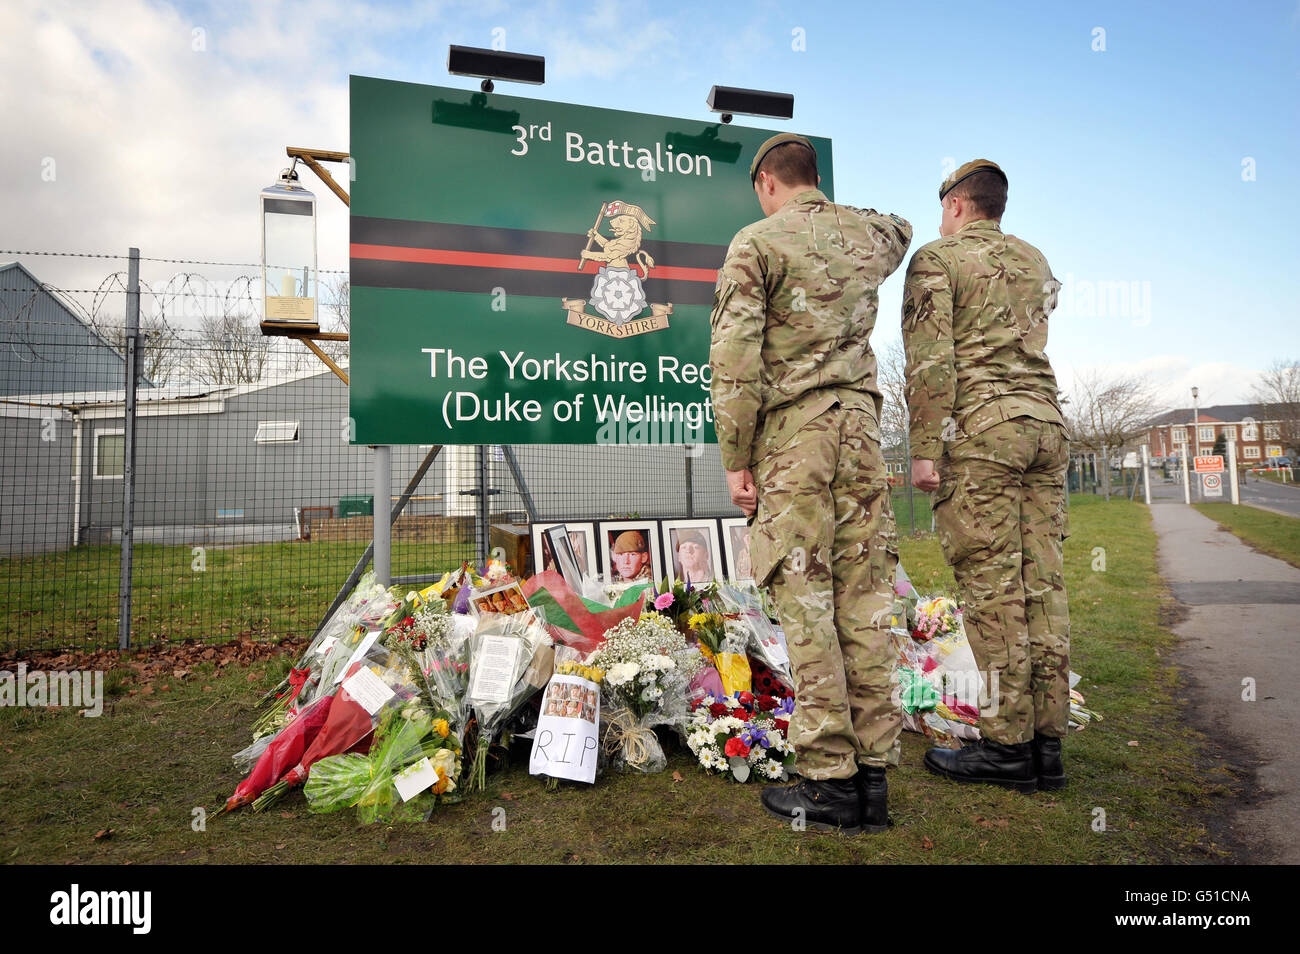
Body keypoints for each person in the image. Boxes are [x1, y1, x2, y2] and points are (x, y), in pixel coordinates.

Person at [710, 132, 912, 834]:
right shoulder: (870, 235)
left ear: (767, 181)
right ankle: (875, 777)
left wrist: (735, 456)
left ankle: (830, 784)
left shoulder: (756, 243)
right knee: (864, 597)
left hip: (796, 440)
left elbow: (735, 361)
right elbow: (901, 227)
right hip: (861, 434)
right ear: (814, 178)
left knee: (806, 599)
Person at [901, 159, 1070, 794]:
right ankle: (1045, 747)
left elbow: (930, 360)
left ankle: (1006, 748)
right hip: (1045, 427)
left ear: (957, 205)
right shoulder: (1035, 260)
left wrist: (925, 449)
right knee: (1042, 584)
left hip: (982, 435)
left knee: (993, 589)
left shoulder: (937, 259)